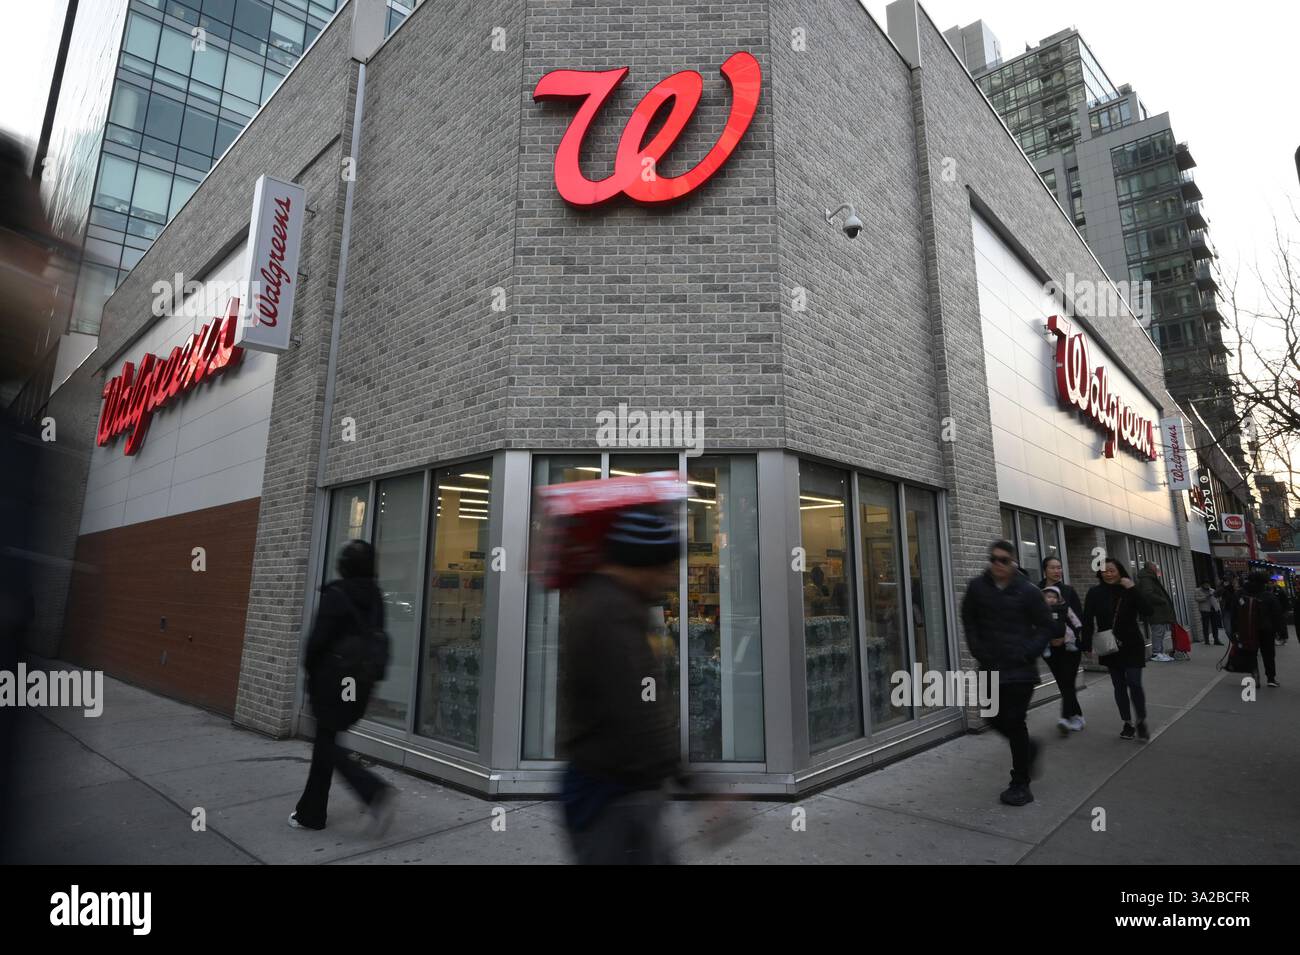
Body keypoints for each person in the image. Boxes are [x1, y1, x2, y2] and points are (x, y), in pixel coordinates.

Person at [560, 507, 686, 863]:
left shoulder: (611, 602)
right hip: (610, 793)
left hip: (614, 787)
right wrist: (682, 774)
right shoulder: (611, 613)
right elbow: (640, 706)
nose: (667, 578)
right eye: (663, 568)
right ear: (642, 564)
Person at [291, 540, 397, 833]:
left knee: (326, 745)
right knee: (326, 741)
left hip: (331, 683)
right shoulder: (375, 597)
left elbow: (316, 645)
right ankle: (311, 813)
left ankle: (371, 790)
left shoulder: (336, 595)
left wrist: (310, 674)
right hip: (359, 684)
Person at [961, 540, 1053, 807]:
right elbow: (968, 619)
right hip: (990, 666)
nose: (997, 564)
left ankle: (1020, 782)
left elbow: (1047, 626)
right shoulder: (977, 587)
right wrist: (977, 649)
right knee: (992, 716)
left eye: (1003, 560)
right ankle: (1029, 748)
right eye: (993, 559)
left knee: (1014, 720)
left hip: (1020, 669)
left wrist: (1028, 651)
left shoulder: (1028, 591)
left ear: (1013, 562)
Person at [1083, 558, 1153, 741]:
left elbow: (1148, 610)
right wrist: (1086, 645)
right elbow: (1087, 619)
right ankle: (1127, 723)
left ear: (1120, 571)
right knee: (1119, 686)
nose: (1108, 573)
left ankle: (1141, 720)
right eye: (1104, 571)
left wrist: (1132, 588)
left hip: (1132, 644)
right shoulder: (1095, 592)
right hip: (1110, 646)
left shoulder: (1129, 590)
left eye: (1112, 570)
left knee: (1135, 683)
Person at [1038, 557, 1085, 734]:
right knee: (1064, 683)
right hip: (1049, 646)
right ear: (1045, 570)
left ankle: (1065, 718)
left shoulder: (1068, 591)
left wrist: (1063, 637)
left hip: (1069, 645)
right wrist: (1047, 638)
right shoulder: (1037, 591)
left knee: (1068, 680)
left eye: (1059, 568)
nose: (1057, 571)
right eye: (1053, 568)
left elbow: (1077, 616)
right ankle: (1077, 716)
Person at [1234, 573, 1282, 686]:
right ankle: (1271, 678)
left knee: (1251, 653)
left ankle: (1254, 675)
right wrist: (1279, 630)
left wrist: (1235, 630)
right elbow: (1276, 614)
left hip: (1247, 629)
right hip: (1267, 630)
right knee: (1268, 654)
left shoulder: (1240, 594)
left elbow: (1234, 613)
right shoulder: (1268, 595)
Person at [1135, 561, 1177, 662]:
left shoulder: (1150, 578)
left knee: (1160, 631)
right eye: (1155, 567)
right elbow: (1148, 594)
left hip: (1157, 611)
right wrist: (1162, 600)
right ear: (1150, 568)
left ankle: (1160, 652)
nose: (1157, 569)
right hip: (1155, 611)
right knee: (1158, 632)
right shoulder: (1147, 579)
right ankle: (1156, 653)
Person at [1193, 581, 1223, 646]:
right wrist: (1206, 596)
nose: (1207, 585)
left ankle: (1216, 640)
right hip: (1205, 610)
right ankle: (1207, 640)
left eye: (1208, 584)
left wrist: (1218, 606)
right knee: (1205, 625)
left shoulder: (1212, 590)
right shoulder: (1197, 590)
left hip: (1213, 609)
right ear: (1202, 584)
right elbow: (1197, 599)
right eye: (1206, 584)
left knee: (1215, 625)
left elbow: (1217, 599)